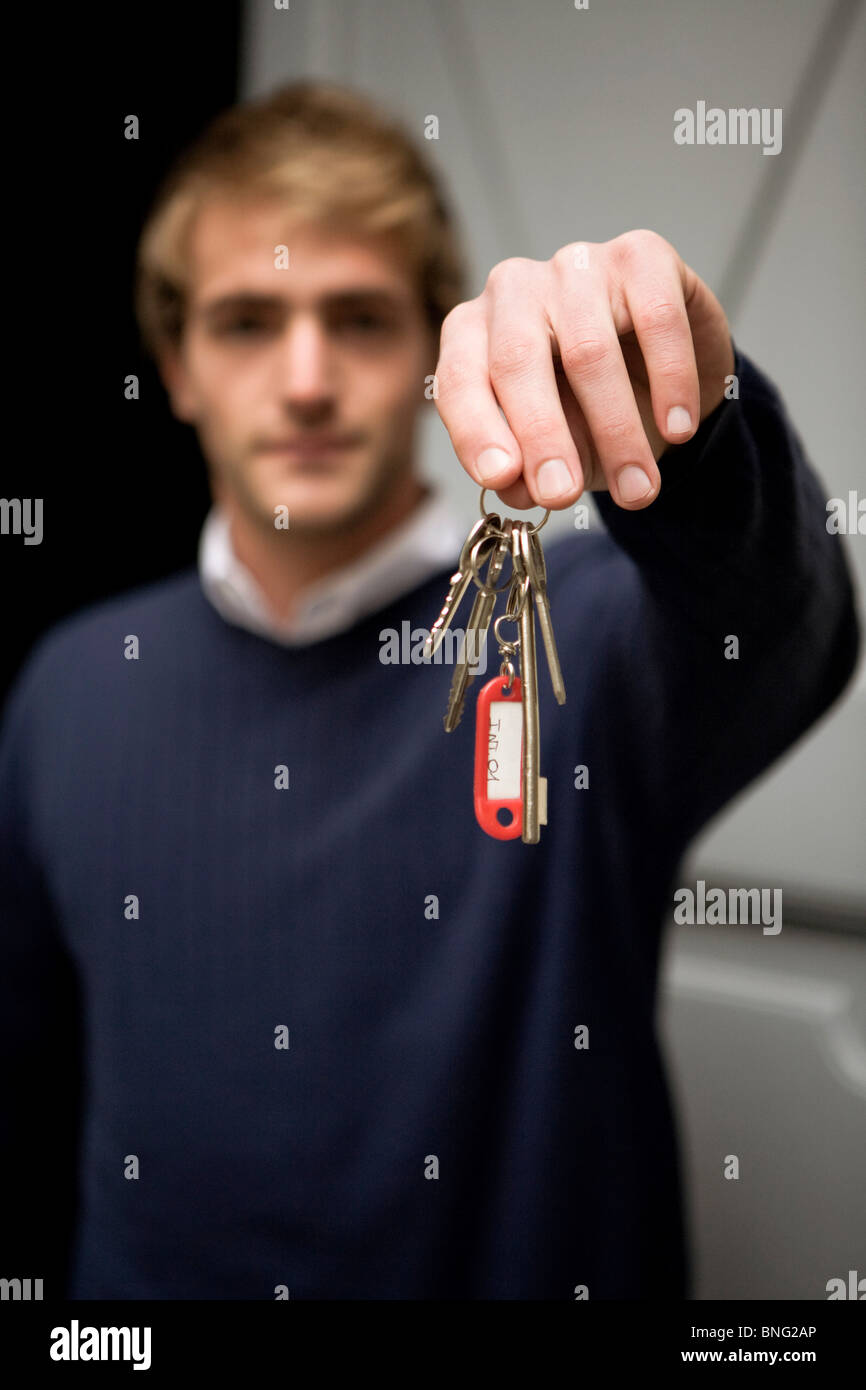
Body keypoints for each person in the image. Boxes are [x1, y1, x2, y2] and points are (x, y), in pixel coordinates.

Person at [0, 80, 859, 1301]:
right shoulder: (70, 686)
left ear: (429, 346)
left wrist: (688, 433)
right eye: (248, 322)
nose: (305, 379)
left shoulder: (595, 627)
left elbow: (785, 622)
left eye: (357, 318)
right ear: (175, 366)